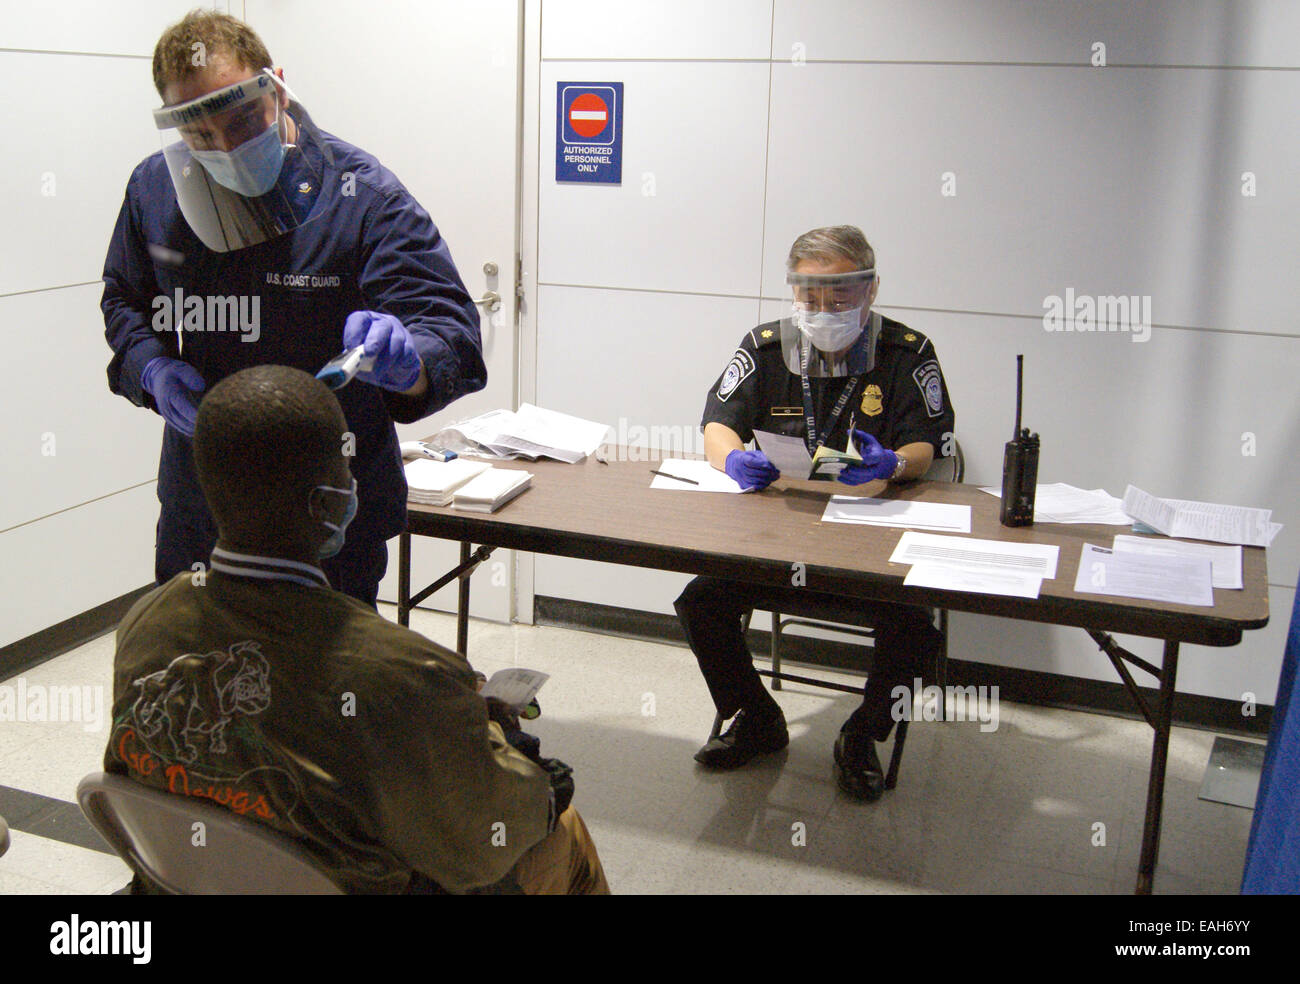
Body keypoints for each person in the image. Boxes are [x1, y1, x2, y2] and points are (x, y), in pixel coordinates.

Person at [104, 365, 608, 894]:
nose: (355, 482)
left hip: (185, 883)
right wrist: (495, 736)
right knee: (562, 833)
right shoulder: (405, 670)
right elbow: (488, 838)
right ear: (327, 503)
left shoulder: (146, 622)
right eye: (347, 467)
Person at [103, 10, 485, 609]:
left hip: (329, 509)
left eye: (241, 120)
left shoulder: (359, 193)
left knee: (329, 692)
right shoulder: (156, 190)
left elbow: (449, 325)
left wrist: (408, 364)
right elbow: (124, 299)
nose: (226, 147)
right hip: (205, 500)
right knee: (197, 682)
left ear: (276, 86)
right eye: (201, 136)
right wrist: (150, 368)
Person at [674, 225, 956, 802]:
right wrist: (731, 460)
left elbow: (929, 442)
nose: (823, 308)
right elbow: (716, 422)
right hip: (779, 537)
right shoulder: (767, 344)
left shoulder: (908, 351)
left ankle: (861, 735)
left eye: (839, 294)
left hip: (867, 540)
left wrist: (895, 463)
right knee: (700, 600)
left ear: (871, 290)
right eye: (809, 294)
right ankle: (757, 718)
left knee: (912, 629)